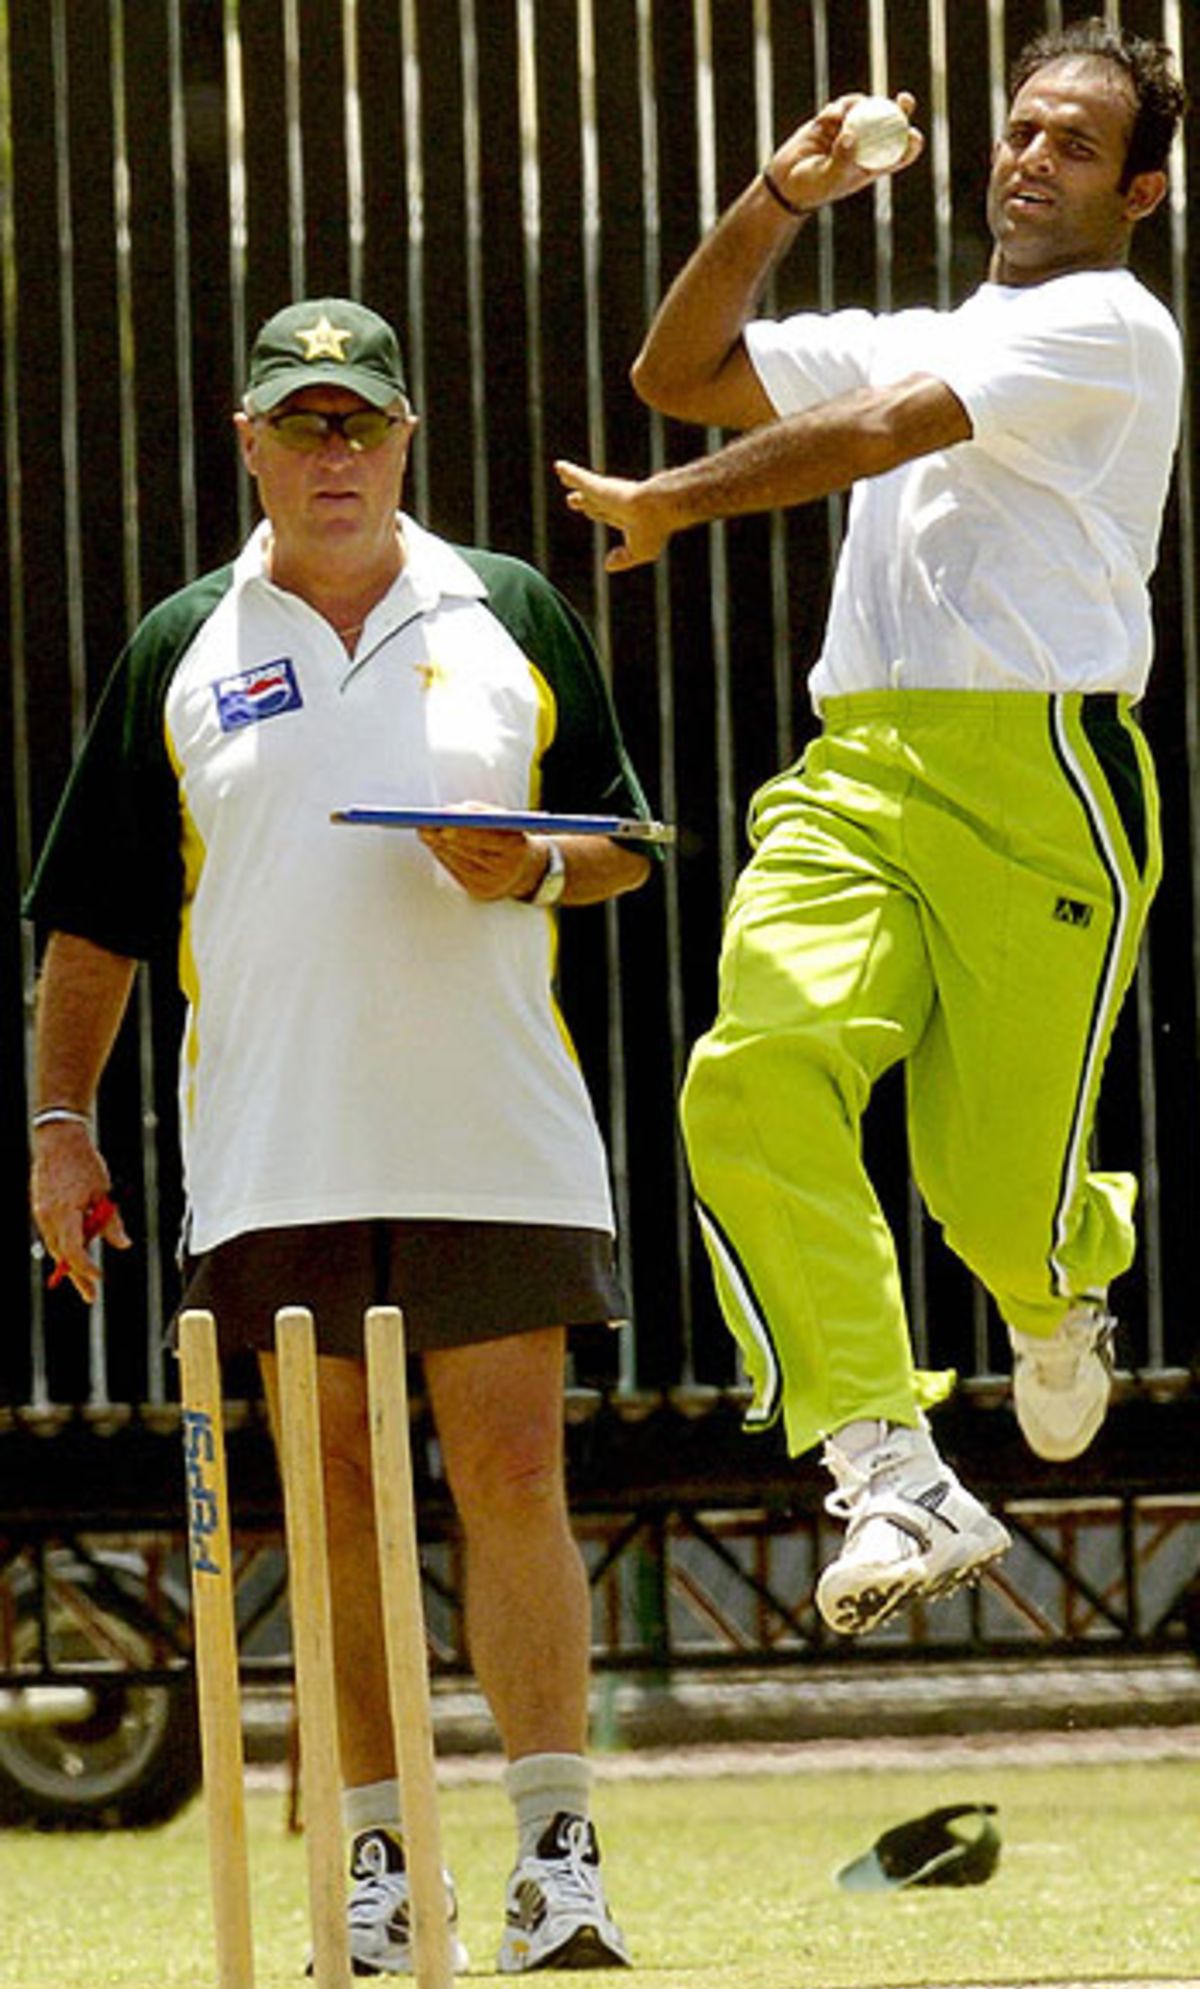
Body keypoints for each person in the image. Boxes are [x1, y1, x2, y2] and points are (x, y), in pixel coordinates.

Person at [26, 296, 655, 1972]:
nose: (332, 452)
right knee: (337, 1509)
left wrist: (525, 862)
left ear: (403, 439)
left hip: (493, 1136)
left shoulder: (504, 607)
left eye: (358, 422)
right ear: (248, 441)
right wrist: (56, 1124)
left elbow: (625, 842)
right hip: (276, 1149)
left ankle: (555, 1857)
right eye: (300, 424)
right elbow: (91, 922)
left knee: (515, 1475)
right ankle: (380, 1867)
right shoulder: (182, 641)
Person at [556, 21, 1186, 1638]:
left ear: (1142, 191)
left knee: (988, 1197)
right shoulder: (932, 325)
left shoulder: (1115, 323)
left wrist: (673, 506)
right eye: (1020, 128)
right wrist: (780, 194)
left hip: (1043, 785)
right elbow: (676, 376)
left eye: (1072, 141)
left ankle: (1061, 1284)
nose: (1029, 155)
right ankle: (886, 1459)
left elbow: (874, 435)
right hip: (857, 771)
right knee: (749, 1074)